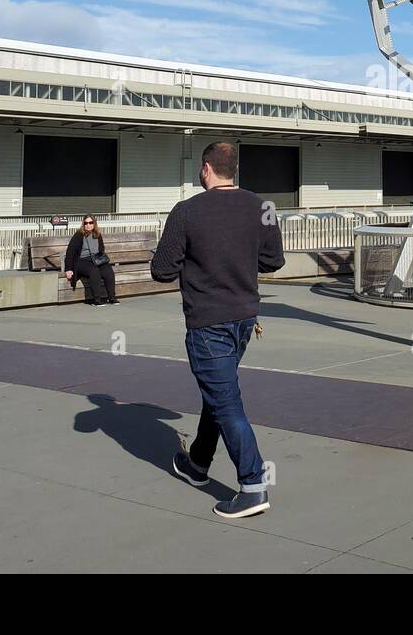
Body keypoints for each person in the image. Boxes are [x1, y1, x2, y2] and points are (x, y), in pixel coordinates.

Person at [151, 142, 284, 519]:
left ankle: (254, 486)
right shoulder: (263, 207)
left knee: (226, 402)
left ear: (206, 168)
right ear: (234, 170)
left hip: (208, 321)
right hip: (245, 318)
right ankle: (198, 464)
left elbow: (162, 270)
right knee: (218, 392)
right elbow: (273, 261)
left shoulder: (186, 211)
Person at [64, 215, 118, 305]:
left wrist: (100, 259)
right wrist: (68, 269)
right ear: (83, 224)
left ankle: (112, 298)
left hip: (96, 259)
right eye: (86, 223)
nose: (88, 225)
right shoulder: (79, 235)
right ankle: (97, 300)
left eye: (90, 223)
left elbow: (101, 249)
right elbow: (70, 252)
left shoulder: (97, 235)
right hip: (81, 261)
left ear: (94, 223)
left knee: (108, 270)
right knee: (94, 271)